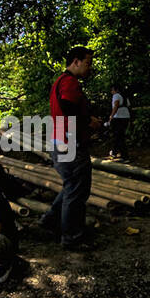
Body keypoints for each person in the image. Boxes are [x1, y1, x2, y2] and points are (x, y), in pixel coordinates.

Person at [38, 45, 98, 247]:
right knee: (77, 191)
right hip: (70, 142)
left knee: (72, 187)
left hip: (59, 141)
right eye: (88, 63)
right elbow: (68, 106)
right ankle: (72, 237)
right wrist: (88, 121)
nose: (90, 67)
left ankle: (50, 220)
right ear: (76, 62)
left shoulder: (59, 82)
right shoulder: (70, 82)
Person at [105, 85, 134, 161]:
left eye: (112, 90)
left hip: (118, 118)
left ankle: (125, 156)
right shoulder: (124, 97)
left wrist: (111, 116)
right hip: (126, 117)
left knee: (119, 137)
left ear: (116, 90)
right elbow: (129, 106)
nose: (111, 92)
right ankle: (114, 153)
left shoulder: (116, 95)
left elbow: (116, 105)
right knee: (118, 136)